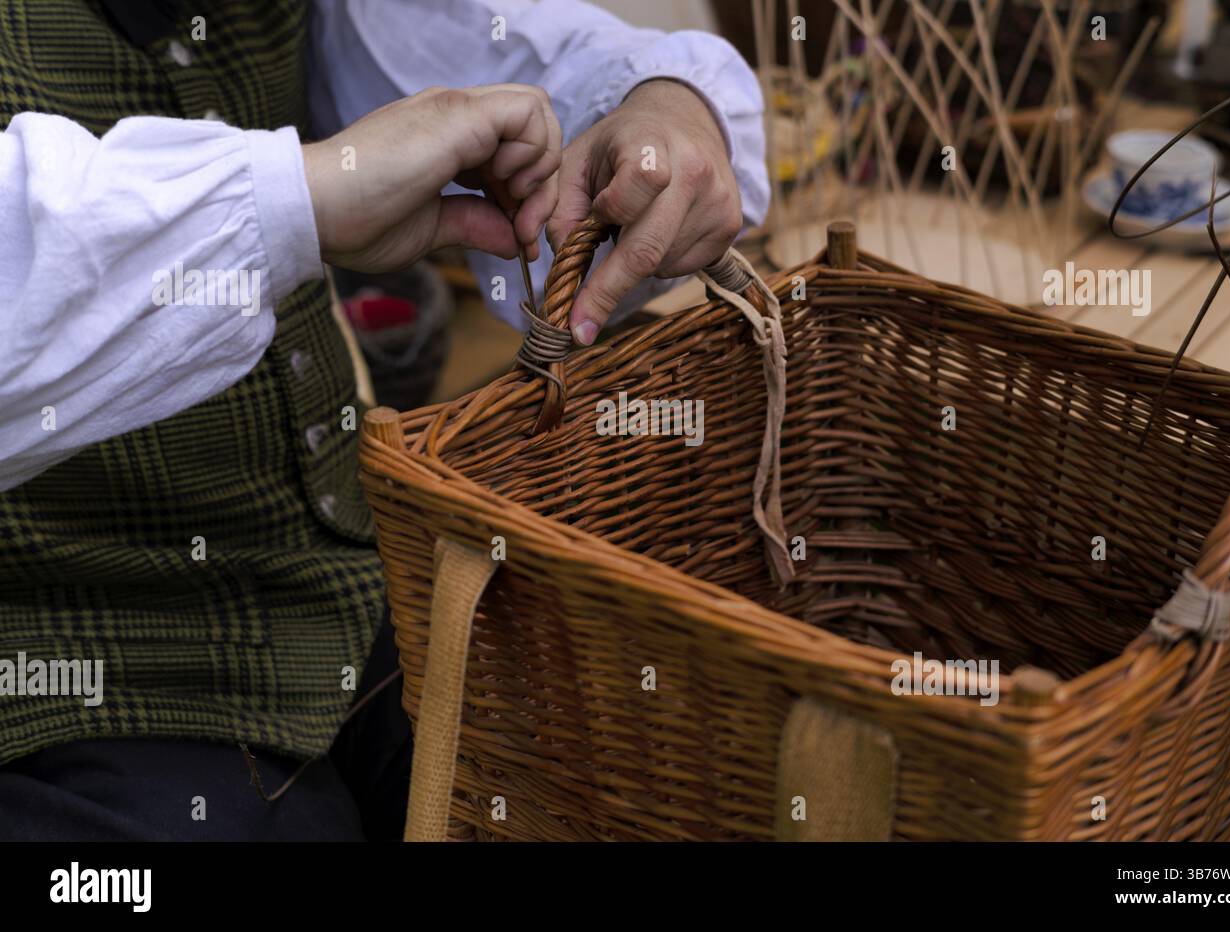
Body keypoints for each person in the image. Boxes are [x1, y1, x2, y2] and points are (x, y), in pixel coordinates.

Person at [0, 0, 767, 840]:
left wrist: (663, 107)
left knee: (649, 767)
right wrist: (302, 196)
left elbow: (469, 39)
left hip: (361, 587)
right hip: (79, 679)